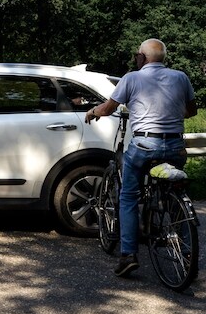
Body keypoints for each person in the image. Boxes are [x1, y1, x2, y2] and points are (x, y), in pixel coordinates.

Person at [84, 38, 197, 277]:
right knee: (173, 189)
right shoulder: (180, 77)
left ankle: (128, 255)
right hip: (175, 146)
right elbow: (191, 110)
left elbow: (108, 109)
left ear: (142, 58)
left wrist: (92, 112)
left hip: (144, 145)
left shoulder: (132, 78)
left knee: (129, 196)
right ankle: (187, 252)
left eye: (138, 55)